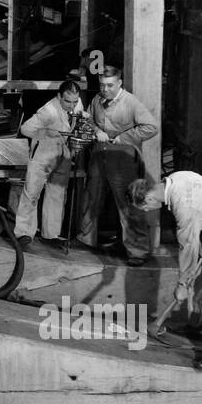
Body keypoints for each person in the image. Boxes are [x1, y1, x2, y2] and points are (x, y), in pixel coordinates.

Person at [129, 173, 202, 371]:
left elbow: (187, 246)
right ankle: (198, 327)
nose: (148, 210)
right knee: (200, 279)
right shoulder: (174, 179)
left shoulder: (181, 204)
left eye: (145, 208)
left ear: (149, 198)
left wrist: (182, 284)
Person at [75, 65, 158, 266]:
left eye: (110, 85)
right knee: (91, 198)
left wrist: (124, 137)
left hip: (123, 159)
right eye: (102, 85)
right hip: (99, 157)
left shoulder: (131, 102)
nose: (105, 90)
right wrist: (95, 131)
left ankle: (137, 252)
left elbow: (151, 127)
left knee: (129, 205)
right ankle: (87, 240)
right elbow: (88, 120)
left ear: (119, 83)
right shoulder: (97, 99)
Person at [14, 80, 86, 246]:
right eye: (67, 101)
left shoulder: (77, 104)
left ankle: (51, 234)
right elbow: (26, 129)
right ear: (59, 96)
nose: (72, 105)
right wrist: (46, 133)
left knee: (57, 194)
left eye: (75, 101)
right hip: (43, 152)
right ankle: (23, 233)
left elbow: (77, 117)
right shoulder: (48, 111)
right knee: (31, 193)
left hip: (64, 152)